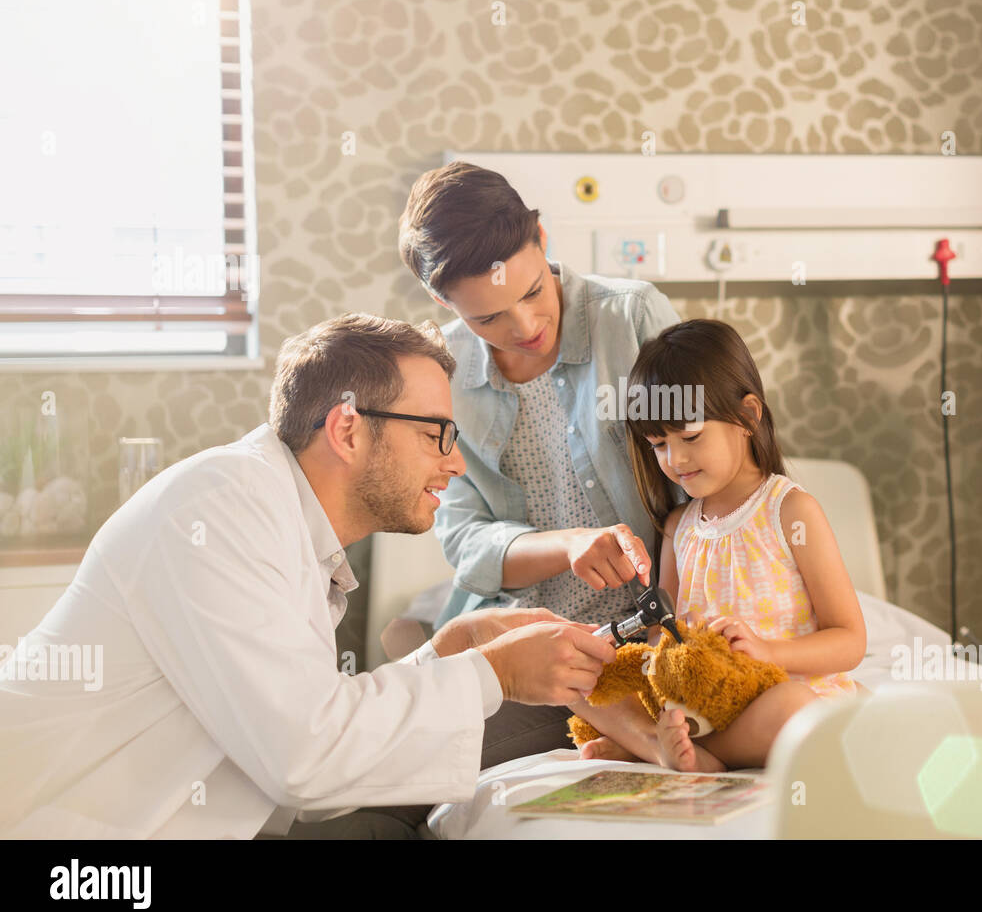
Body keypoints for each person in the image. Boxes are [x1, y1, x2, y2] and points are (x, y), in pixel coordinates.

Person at [0, 313, 614, 839]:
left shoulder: (278, 520)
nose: (454, 462)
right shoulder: (219, 509)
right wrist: (496, 673)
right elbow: (304, 762)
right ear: (347, 428)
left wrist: (443, 654)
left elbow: (306, 740)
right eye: (435, 434)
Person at [396, 160, 682, 765]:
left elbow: (710, 482)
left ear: (543, 240)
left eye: (531, 292)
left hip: (661, 630)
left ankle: (637, 732)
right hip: (524, 645)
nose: (524, 326)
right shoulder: (445, 371)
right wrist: (568, 543)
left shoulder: (630, 319)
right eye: (487, 317)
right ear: (442, 301)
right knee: (411, 765)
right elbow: (467, 541)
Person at [617, 318, 867, 770]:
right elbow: (660, 634)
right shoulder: (678, 528)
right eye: (658, 444)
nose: (675, 460)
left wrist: (770, 652)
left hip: (781, 698)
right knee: (601, 678)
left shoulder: (790, 512)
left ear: (748, 416)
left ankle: (705, 757)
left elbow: (849, 639)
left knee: (796, 708)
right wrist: (670, 647)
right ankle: (676, 743)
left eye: (690, 437)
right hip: (709, 707)